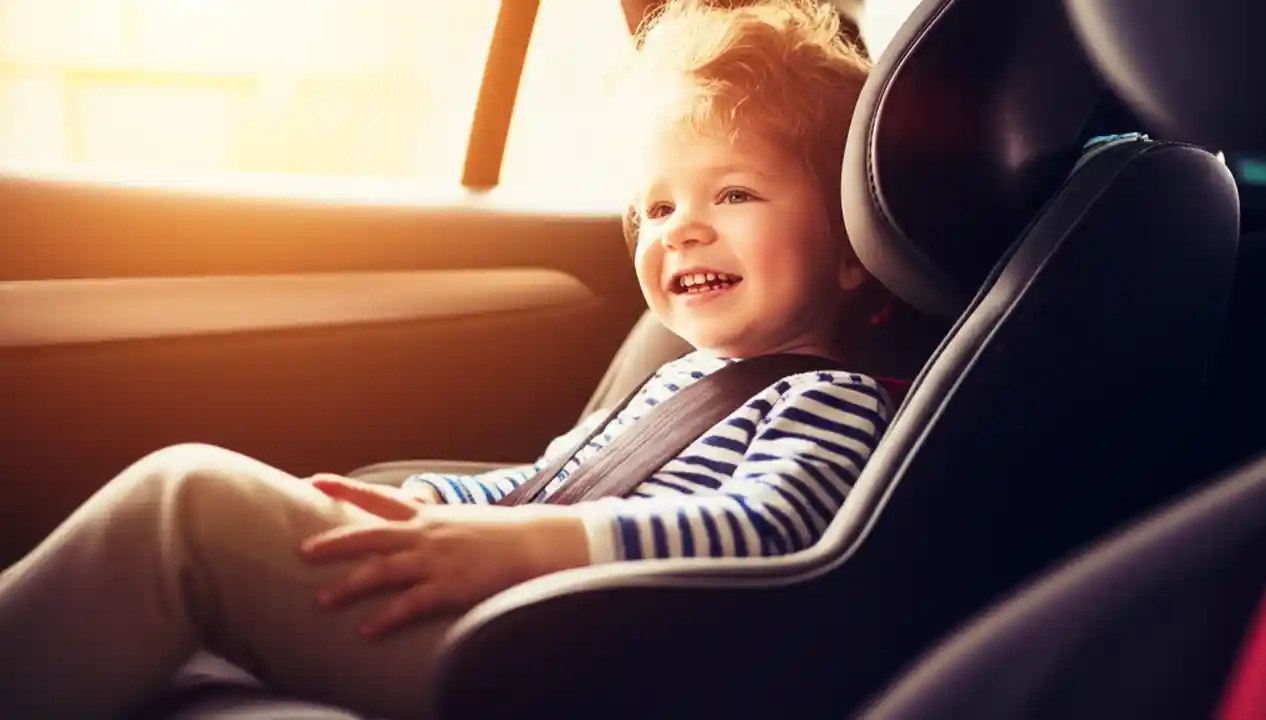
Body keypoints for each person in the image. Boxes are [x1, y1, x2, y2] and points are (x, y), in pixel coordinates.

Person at [0, 2, 891, 718]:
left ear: (853, 249)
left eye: (734, 192)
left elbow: (765, 539)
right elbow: (545, 479)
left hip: (568, 668)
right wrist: (433, 502)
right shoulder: (682, 377)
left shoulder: (833, 400)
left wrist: (521, 549)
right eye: (655, 209)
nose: (683, 226)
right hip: (529, 629)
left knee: (185, 503)